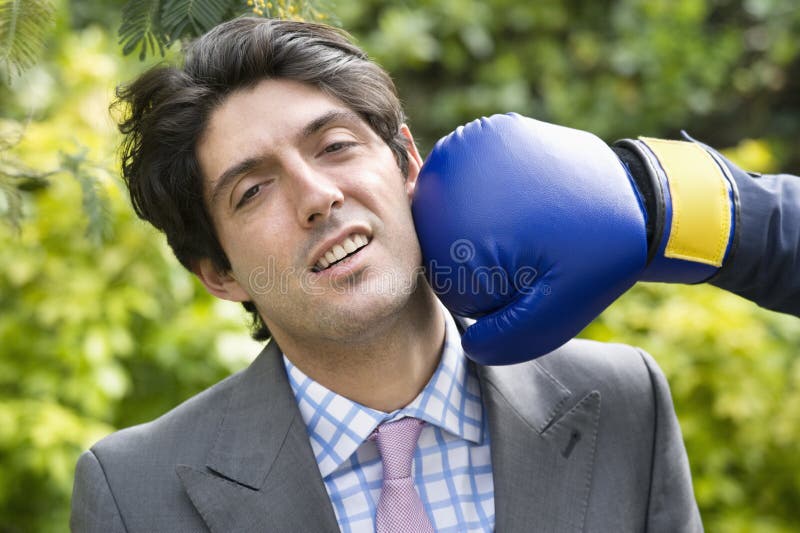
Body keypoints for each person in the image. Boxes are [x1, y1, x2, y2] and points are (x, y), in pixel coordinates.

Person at [71, 18, 701, 532]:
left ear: (407, 164)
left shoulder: (626, 401)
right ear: (218, 272)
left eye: (336, 145)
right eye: (254, 189)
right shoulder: (133, 492)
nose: (317, 197)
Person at [412, 113, 799, 365]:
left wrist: (651, 196)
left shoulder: (627, 392)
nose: (345, 196)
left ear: (409, 162)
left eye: (346, 146)